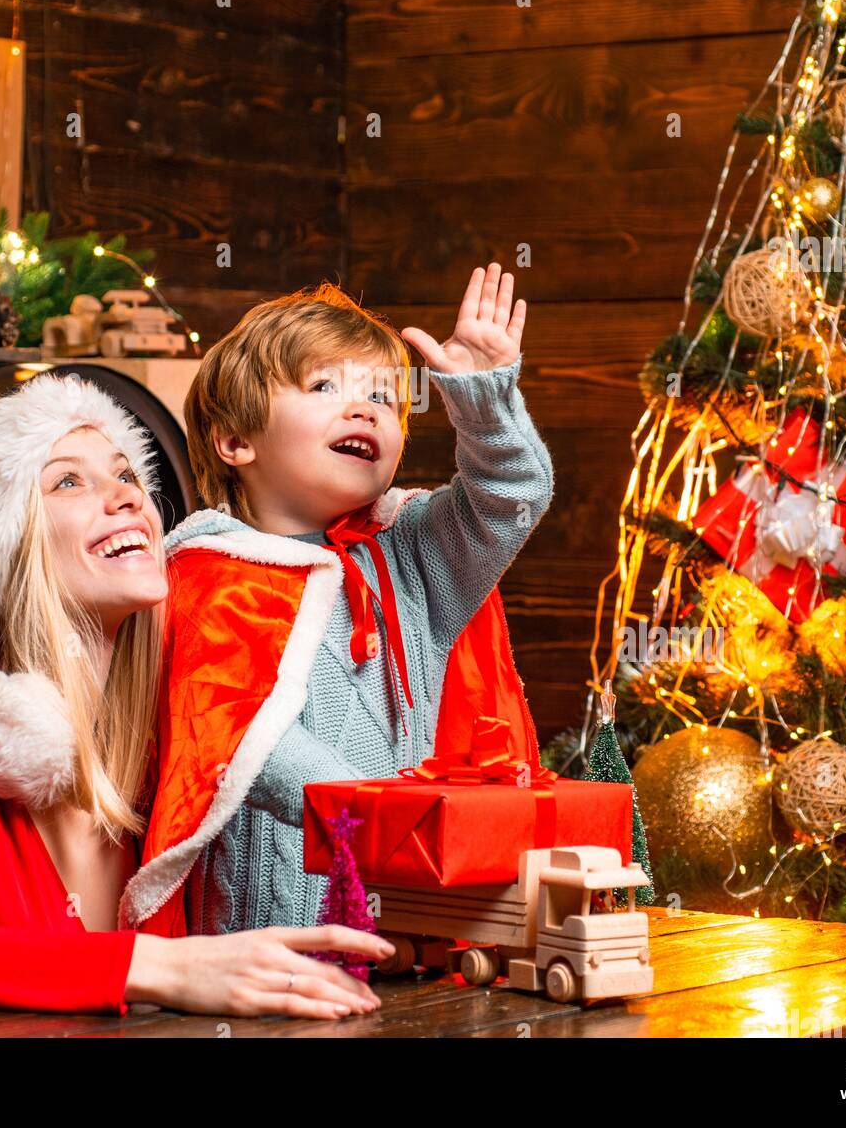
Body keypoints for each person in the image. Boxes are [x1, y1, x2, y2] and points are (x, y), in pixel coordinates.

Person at [0, 373, 391, 1018]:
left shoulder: (172, 772)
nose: (125, 497)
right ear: (5, 554)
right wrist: (147, 967)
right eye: (68, 481)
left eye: (127, 473)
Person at [122, 263, 555, 937]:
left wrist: (481, 398)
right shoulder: (210, 571)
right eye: (324, 386)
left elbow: (511, 502)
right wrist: (375, 814)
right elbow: (242, 738)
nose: (365, 408)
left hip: (405, 921)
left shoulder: (413, 559)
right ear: (236, 441)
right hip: (268, 938)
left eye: (384, 395)